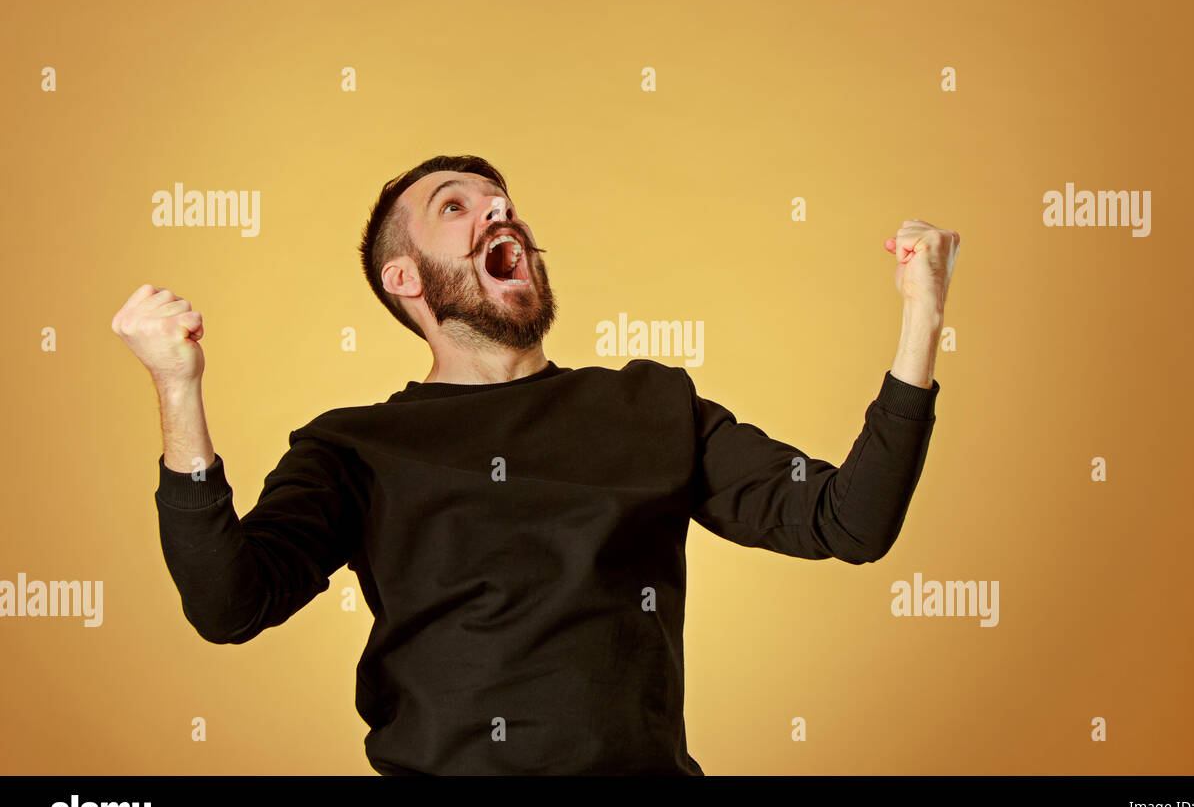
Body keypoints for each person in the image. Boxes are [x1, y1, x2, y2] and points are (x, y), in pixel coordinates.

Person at [110, 154, 960, 775]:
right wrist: (178, 390)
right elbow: (228, 605)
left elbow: (847, 521)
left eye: (502, 200)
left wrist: (922, 319)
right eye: (457, 207)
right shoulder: (353, 448)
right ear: (405, 279)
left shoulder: (651, 406)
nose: (497, 211)